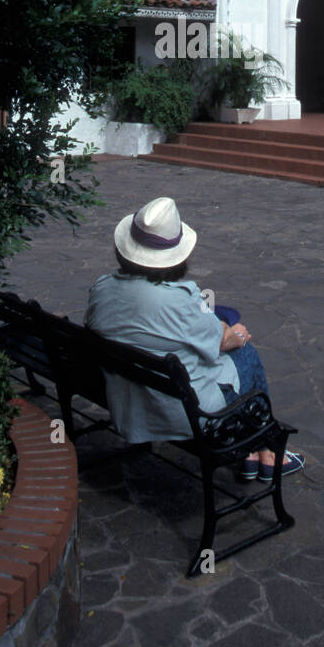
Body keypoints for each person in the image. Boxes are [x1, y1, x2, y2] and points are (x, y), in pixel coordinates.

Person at [83, 195, 305, 481]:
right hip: (186, 415)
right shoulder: (178, 300)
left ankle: (253, 454)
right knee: (246, 354)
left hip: (131, 403)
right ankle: (269, 451)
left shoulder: (102, 289)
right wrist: (237, 334)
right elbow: (223, 341)